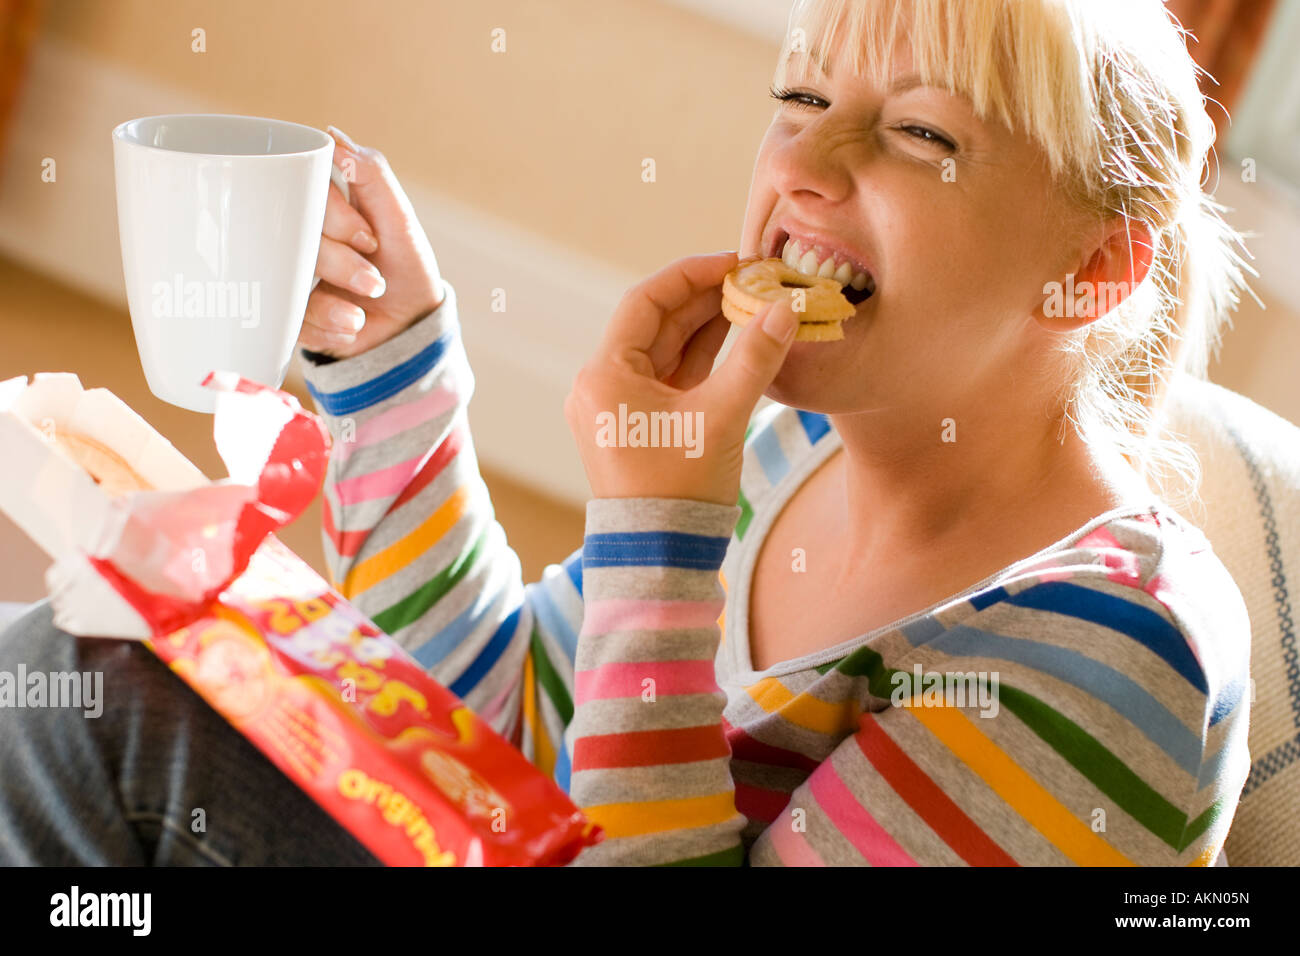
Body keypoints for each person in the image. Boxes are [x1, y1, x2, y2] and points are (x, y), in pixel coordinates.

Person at [0, 0, 1252, 865]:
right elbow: (490, 745)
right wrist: (395, 367)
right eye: (800, 94)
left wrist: (659, 534)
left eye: (921, 133)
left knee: (89, 709)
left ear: (1093, 269)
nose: (805, 161)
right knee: (74, 647)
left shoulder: (1111, 648)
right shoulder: (783, 458)